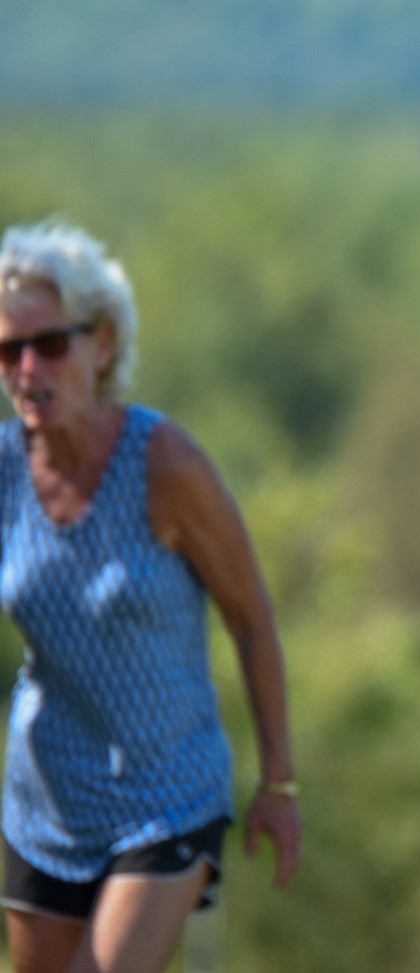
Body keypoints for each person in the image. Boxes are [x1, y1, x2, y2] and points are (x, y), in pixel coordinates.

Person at [0, 221, 301, 973]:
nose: (28, 368)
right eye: (9, 350)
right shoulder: (5, 470)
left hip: (167, 791)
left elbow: (252, 618)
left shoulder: (165, 465)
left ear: (101, 345)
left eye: (50, 345)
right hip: (46, 797)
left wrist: (278, 779)